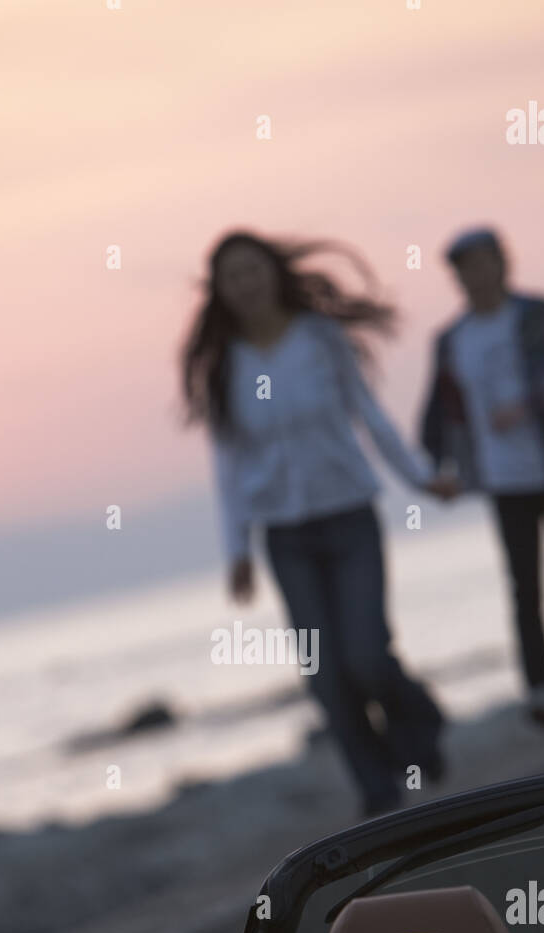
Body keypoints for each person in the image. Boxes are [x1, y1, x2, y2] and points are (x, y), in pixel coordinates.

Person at [181, 229, 446, 818]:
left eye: (253, 270)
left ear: (274, 272)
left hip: (349, 514)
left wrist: (421, 477)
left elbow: (369, 416)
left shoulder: (321, 339)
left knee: (367, 657)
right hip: (286, 534)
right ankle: (378, 787)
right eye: (232, 277)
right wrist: (238, 550)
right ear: (219, 292)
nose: (246, 284)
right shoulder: (227, 366)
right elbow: (228, 466)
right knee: (325, 676)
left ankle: (419, 721)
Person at [419, 227, 544, 726]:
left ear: (503, 263)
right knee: (524, 586)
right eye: (465, 267)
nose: (476, 274)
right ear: (456, 277)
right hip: (504, 481)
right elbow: (440, 412)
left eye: (483, 262)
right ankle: (541, 689)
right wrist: (436, 469)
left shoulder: (537, 314)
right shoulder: (450, 341)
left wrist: (526, 405)